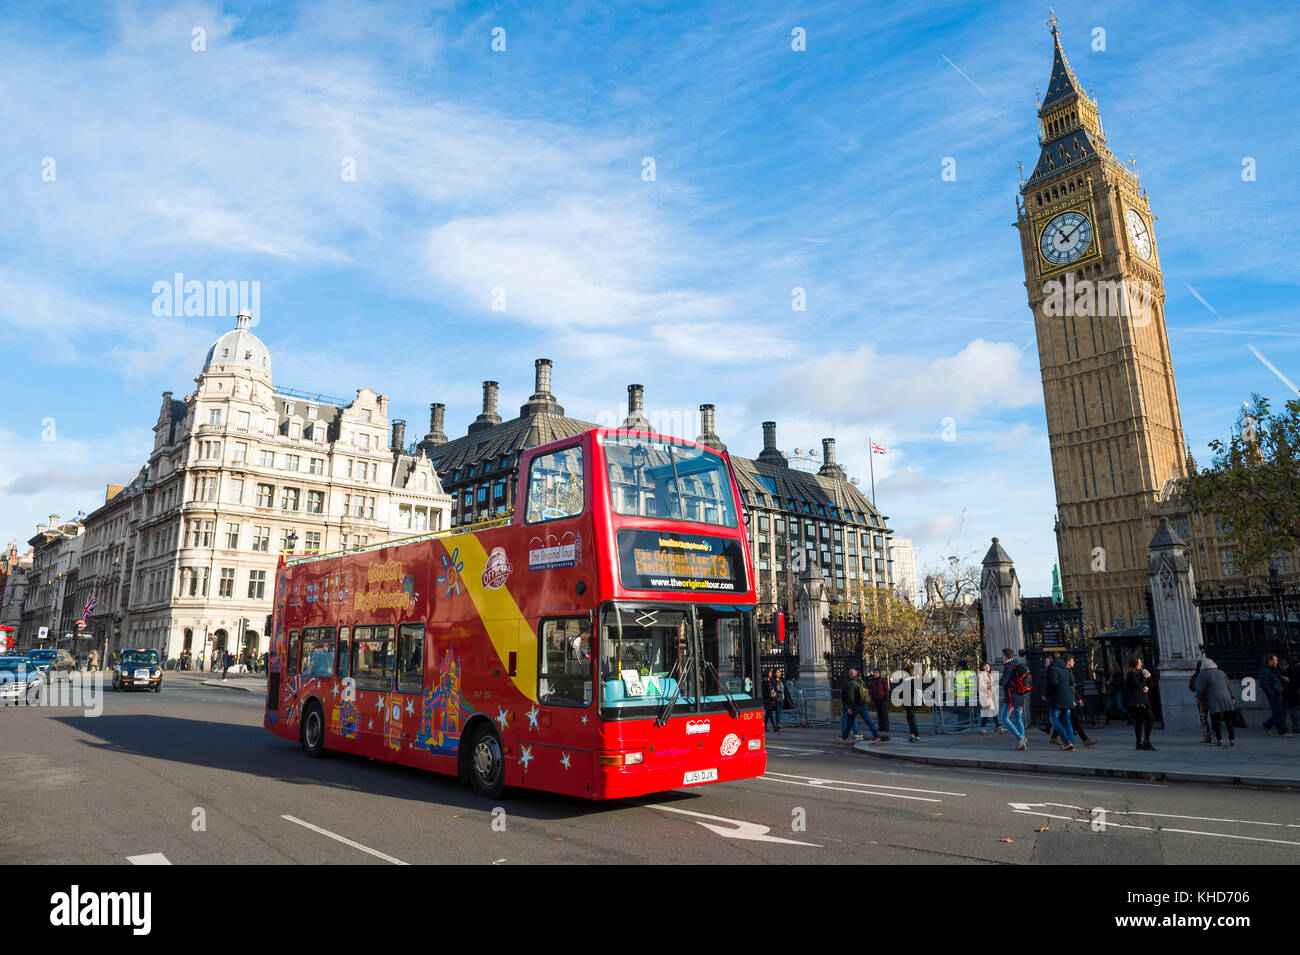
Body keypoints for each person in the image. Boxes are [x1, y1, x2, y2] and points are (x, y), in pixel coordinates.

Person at [1195, 658, 1237, 746]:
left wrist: (1199, 697)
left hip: (1214, 699)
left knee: (1216, 719)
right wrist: (1231, 697)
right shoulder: (1222, 672)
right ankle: (1232, 739)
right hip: (1226, 698)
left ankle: (1219, 739)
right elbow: (1228, 685)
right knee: (1228, 719)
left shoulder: (1204, 674)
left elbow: (1201, 688)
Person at [999, 648, 1029, 751]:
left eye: (1002, 655)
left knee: (1004, 718)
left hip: (1010, 697)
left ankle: (1020, 738)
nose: (1002, 657)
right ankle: (1023, 744)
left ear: (1005, 656)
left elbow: (1003, 682)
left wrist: (995, 681)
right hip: (1019, 696)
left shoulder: (1008, 666)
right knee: (1019, 720)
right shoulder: (1017, 664)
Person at [1044, 653, 1076, 751]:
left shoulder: (1052, 669)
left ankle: (1067, 742)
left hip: (1057, 698)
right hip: (1067, 698)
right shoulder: (1065, 668)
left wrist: (1046, 695)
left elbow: (1053, 683)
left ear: (1051, 659)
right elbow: (1071, 683)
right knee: (1067, 722)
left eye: (1048, 660)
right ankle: (1071, 743)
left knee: (1053, 718)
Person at [1064, 656, 1096, 746]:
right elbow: (1071, 687)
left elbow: (1072, 687)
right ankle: (1073, 741)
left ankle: (1084, 739)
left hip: (1070, 698)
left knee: (1071, 720)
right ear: (1068, 662)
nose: (1074, 662)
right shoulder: (1067, 672)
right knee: (1067, 720)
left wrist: (1078, 698)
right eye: (1072, 661)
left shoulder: (1068, 671)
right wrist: (1077, 698)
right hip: (1069, 699)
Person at [1126, 656, 1156, 750]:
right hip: (1137, 701)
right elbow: (1138, 686)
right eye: (1139, 663)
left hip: (1143, 699)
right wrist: (1144, 678)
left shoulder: (1140, 672)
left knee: (1140, 721)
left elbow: (1147, 684)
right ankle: (1145, 741)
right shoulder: (1131, 674)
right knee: (1149, 718)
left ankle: (1139, 743)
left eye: (1140, 662)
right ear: (1134, 664)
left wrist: (1148, 685)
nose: (1141, 664)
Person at [1259, 654, 1291, 737]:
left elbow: (1276, 677)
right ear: (1270, 661)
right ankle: (1282, 732)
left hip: (1278, 693)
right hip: (1274, 695)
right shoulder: (1264, 670)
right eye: (1275, 660)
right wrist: (1273, 693)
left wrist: (1282, 678)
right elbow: (1264, 684)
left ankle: (1266, 725)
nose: (1277, 662)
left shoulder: (1273, 669)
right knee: (1278, 713)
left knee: (1279, 712)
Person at [1188, 659, 1212, 743]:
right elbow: (1191, 687)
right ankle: (1207, 736)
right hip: (1201, 700)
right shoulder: (1196, 676)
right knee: (1203, 718)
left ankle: (1215, 735)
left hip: (1210, 699)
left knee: (1214, 717)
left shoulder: (1209, 674)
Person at [899, 664, 922, 742]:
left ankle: (917, 735)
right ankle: (912, 733)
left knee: (911, 719)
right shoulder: (915, 679)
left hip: (910, 702)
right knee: (910, 718)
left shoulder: (909, 680)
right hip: (913, 701)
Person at [977, 661, 1000, 734]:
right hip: (986, 696)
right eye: (985, 666)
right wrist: (991, 684)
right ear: (982, 667)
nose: (987, 667)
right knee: (993, 712)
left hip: (990, 696)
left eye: (988, 666)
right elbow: (981, 687)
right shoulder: (981, 675)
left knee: (986, 713)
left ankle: (982, 729)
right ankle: (998, 727)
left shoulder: (989, 674)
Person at [1279, 659, 1299, 735]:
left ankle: (1295, 728)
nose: (1283, 667)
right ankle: (1285, 729)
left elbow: (1297, 683)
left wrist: (1289, 680)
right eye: (1282, 666)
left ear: (1287, 665)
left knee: (1294, 714)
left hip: (1292, 695)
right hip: (1284, 695)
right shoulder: (1278, 672)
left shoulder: (1294, 672)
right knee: (1284, 714)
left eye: (1284, 665)